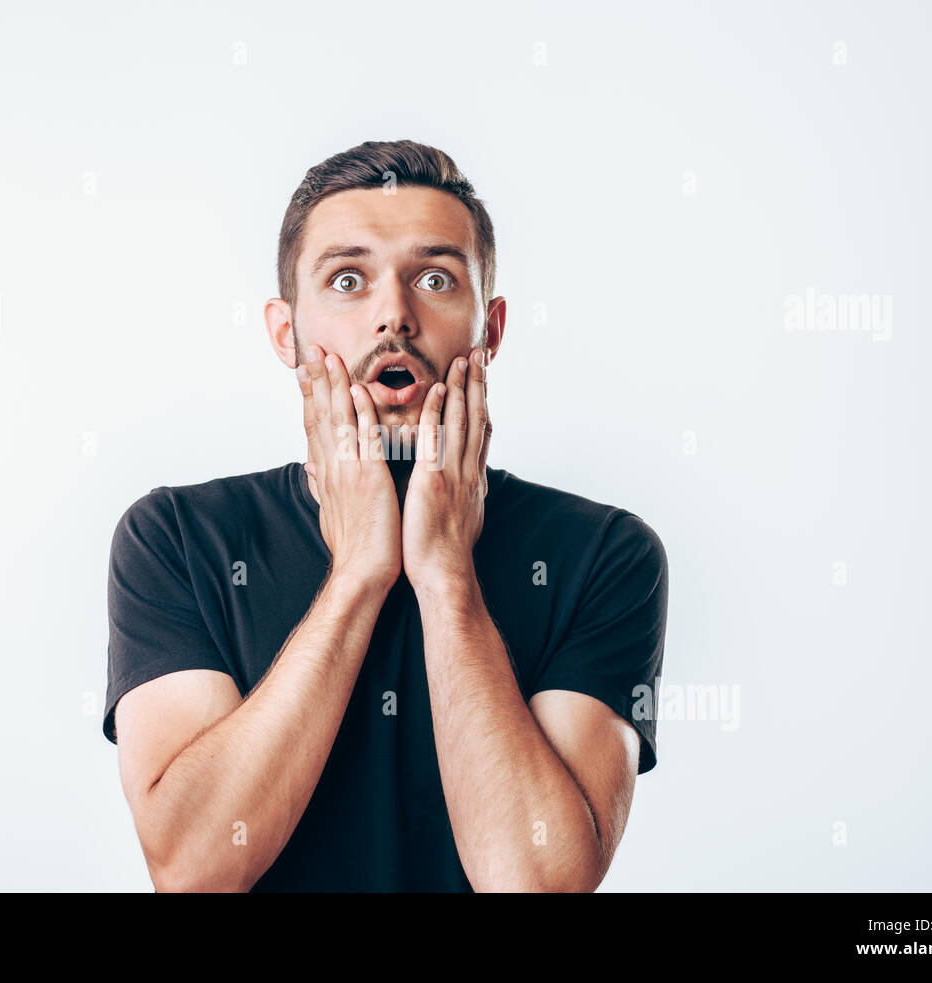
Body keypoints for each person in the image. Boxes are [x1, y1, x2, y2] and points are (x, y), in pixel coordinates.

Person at [102, 139, 669, 892]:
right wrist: (359, 576)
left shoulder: (603, 553)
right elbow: (195, 867)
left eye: (435, 278)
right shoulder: (175, 538)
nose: (393, 316)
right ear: (285, 332)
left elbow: (535, 882)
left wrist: (445, 581)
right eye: (347, 279)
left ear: (489, 330)